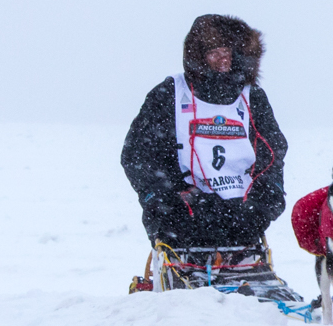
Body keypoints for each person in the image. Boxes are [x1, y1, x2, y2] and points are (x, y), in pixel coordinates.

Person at [121, 14, 290, 288]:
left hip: (242, 218)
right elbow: (138, 154)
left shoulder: (251, 97)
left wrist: (264, 201)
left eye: (228, 51)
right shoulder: (169, 94)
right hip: (186, 216)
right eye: (214, 52)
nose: (223, 59)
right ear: (198, 56)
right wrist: (164, 198)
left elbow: (272, 155)